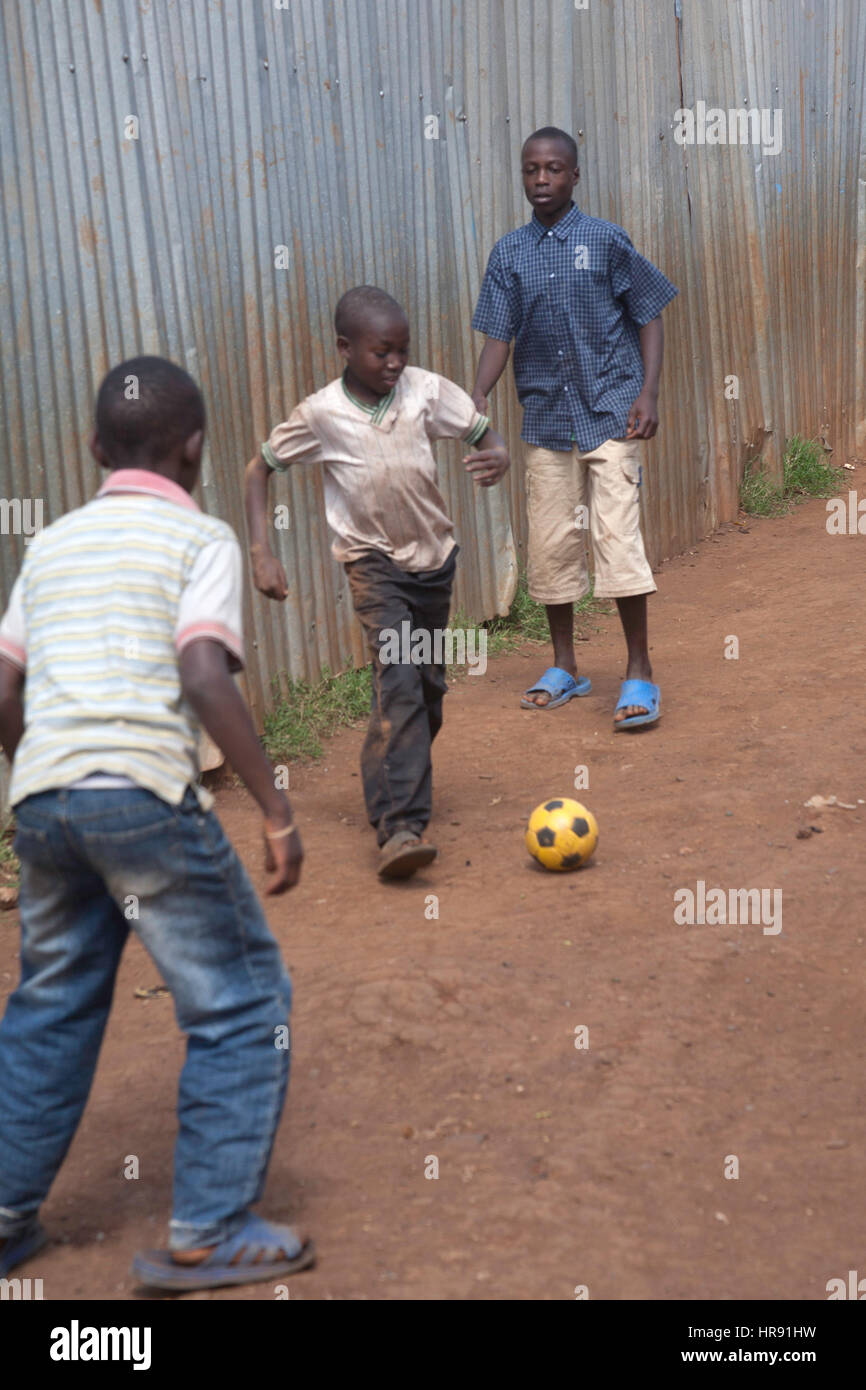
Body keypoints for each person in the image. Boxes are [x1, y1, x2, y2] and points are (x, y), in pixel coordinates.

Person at [0, 356, 313, 1291]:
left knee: (50, 1005)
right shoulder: (201, 538)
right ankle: (210, 1226)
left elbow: (4, 683)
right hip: (140, 798)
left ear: (94, 449)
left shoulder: (50, 545)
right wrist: (275, 805)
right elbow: (202, 673)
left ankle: (7, 1214)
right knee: (243, 1001)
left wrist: (48, 770)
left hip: (43, 803)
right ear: (195, 451)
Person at [245, 286, 510, 878]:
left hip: (434, 563)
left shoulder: (425, 390)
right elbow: (259, 469)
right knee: (399, 681)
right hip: (373, 564)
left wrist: (499, 456)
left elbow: (482, 434)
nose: (395, 363)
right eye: (381, 352)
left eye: (402, 351)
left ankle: (391, 778)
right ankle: (397, 829)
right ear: (345, 348)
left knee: (428, 691)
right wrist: (262, 551)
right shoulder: (322, 414)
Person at [471, 126, 678, 727]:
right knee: (553, 546)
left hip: (612, 412)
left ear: (575, 175)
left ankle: (638, 670)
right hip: (545, 421)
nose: (542, 180)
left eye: (554, 169)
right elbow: (497, 336)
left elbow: (649, 314)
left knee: (618, 540)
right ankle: (565, 665)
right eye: (531, 169)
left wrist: (648, 391)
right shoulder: (508, 254)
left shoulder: (607, 241)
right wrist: (480, 392)